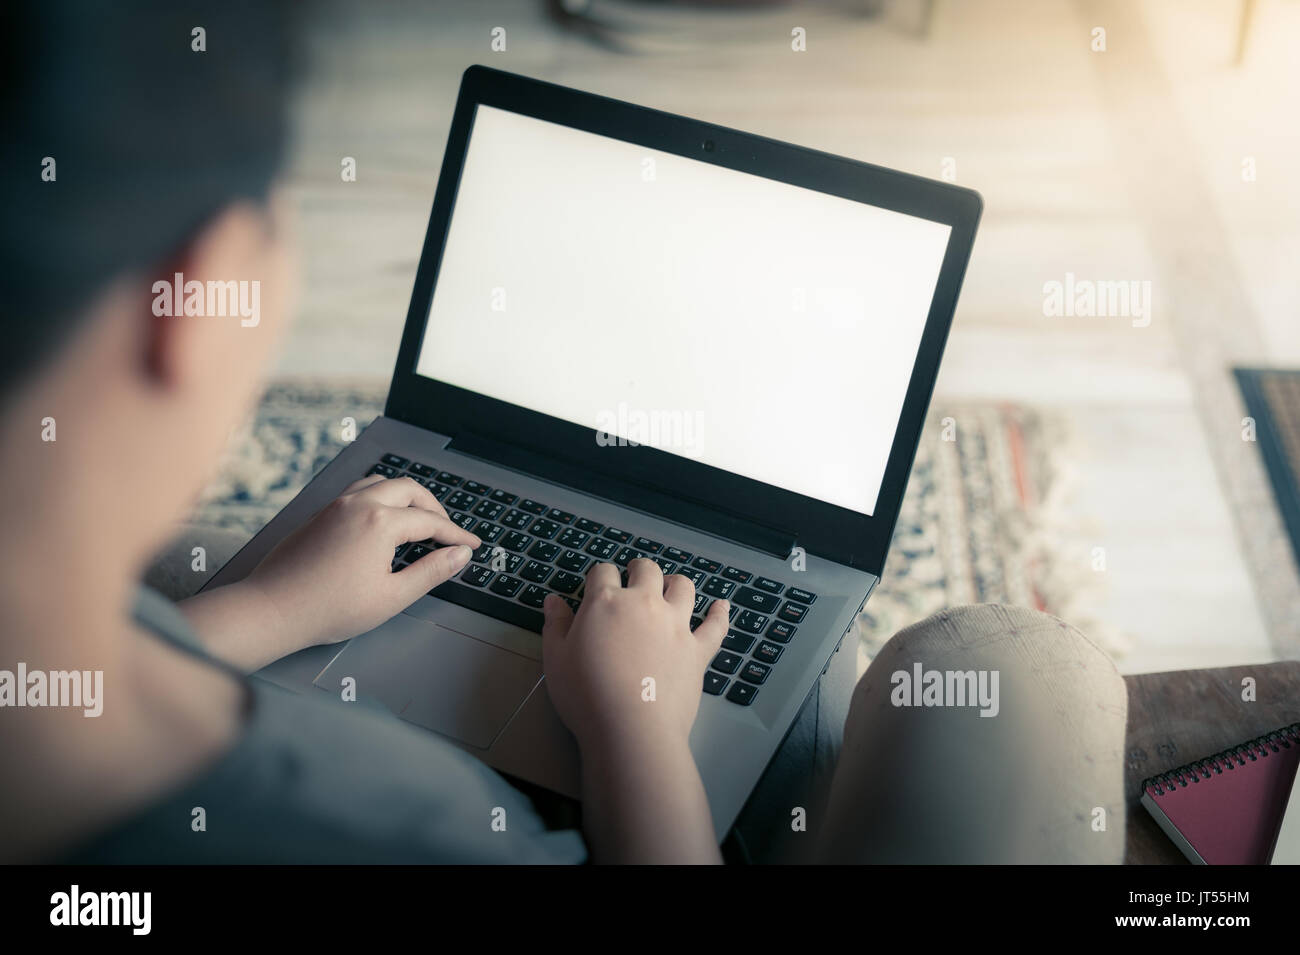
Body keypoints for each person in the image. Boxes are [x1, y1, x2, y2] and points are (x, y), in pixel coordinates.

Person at [0, 2, 1128, 865]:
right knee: (1019, 671)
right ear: (189, 309)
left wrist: (265, 610)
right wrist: (636, 731)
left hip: (255, 640)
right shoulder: (408, 824)